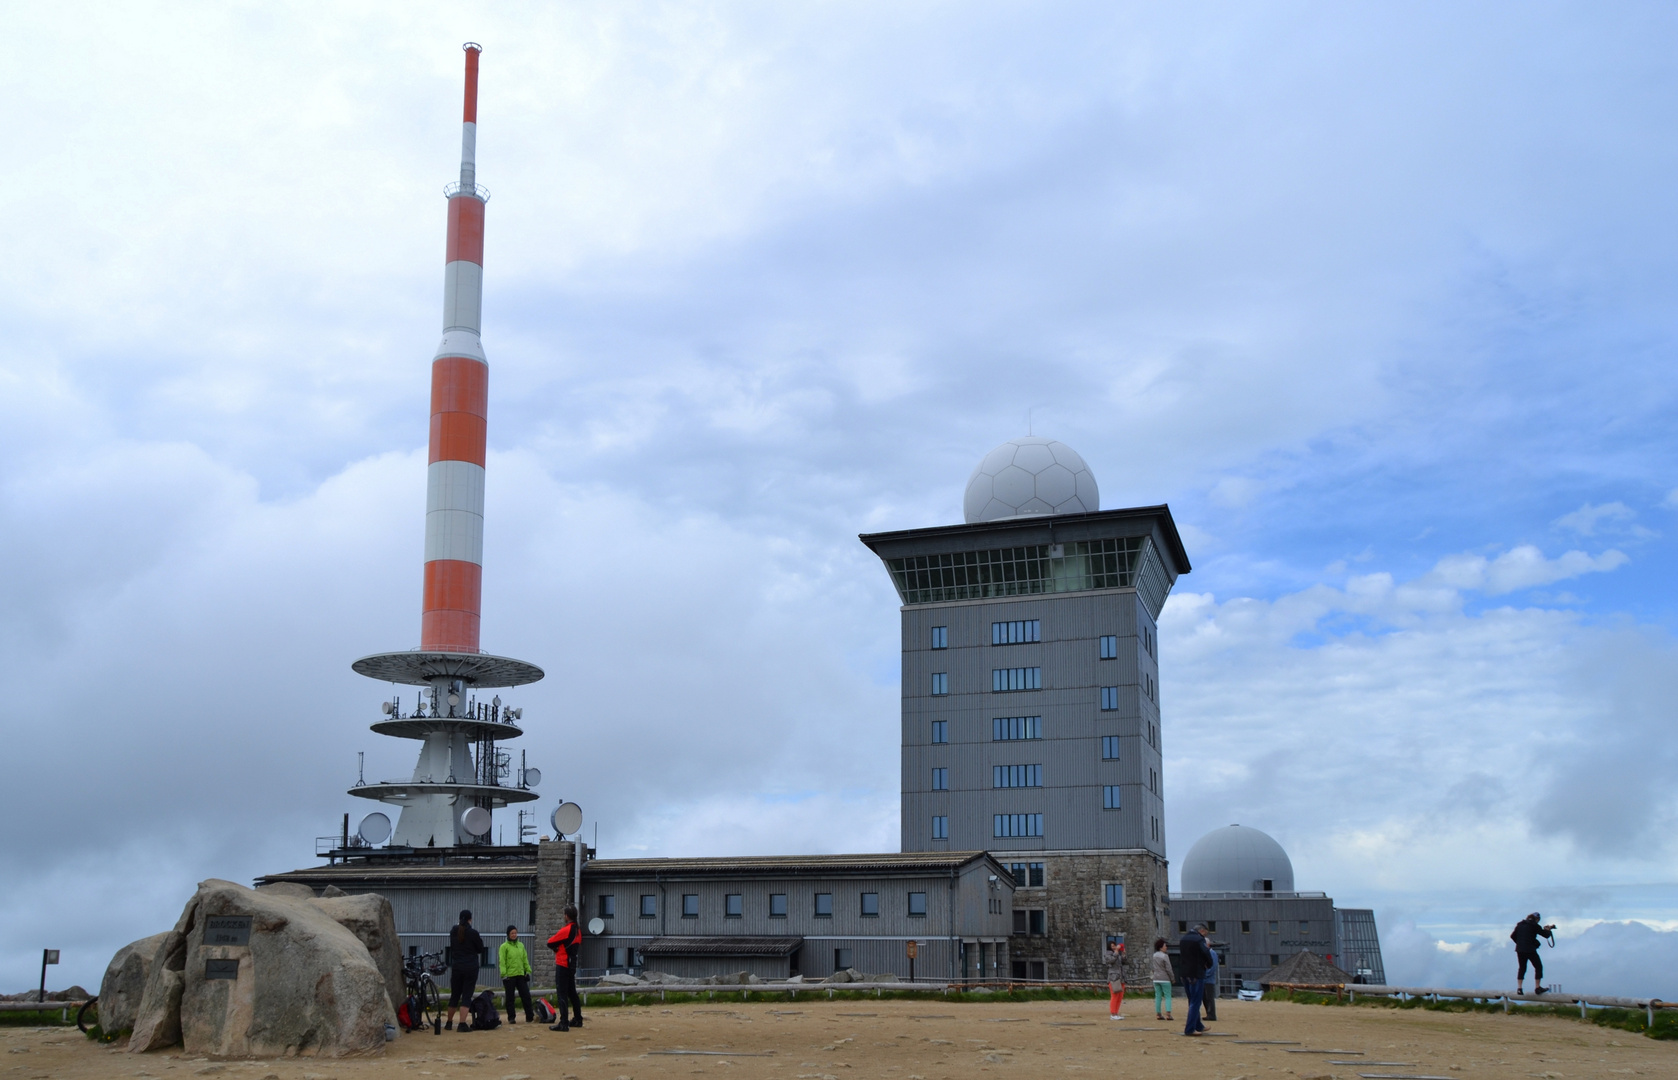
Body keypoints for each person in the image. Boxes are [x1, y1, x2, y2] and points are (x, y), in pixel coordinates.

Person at [444, 909, 484, 1032]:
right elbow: (480, 949)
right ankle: (462, 1024)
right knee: (466, 995)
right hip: (470, 967)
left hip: (457, 966)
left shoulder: (453, 931)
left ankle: (449, 1023)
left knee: (454, 995)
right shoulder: (473, 933)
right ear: (470, 919)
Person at [547, 904, 584, 1031]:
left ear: (567, 916)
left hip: (563, 964)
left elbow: (550, 942)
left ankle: (564, 1022)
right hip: (572, 964)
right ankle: (578, 1019)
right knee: (572, 993)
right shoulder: (578, 930)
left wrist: (556, 948)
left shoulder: (567, 929)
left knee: (561, 993)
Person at [1178, 923, 1213, 1037]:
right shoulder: (1199, 940)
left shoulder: (1183, 939)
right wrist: (1209, 964)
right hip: (1196, 973)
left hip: (1184, 973)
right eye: (1205, 933)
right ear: (1202, 931)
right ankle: (1190, 1029)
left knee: (1191, 1000)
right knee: (1196, 1001)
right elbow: (1206, 953)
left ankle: (1198, 1025)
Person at [1511, 912, 1556, 994]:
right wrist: (1548, 930)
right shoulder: (1534, 925)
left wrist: (1520, 943)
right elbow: (1545, 935)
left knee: (1522, 968)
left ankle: (1519, 988)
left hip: (1520, 950)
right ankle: (1537, 987)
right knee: (1538, 966)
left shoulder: (1520, 924)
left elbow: (1512, 936)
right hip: (1530, 949)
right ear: (1537, 919)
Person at [499, 925, 534, 1025]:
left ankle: (530, 1016)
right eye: (512, 933)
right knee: (510, 998)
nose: (514, 935)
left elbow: (525, 959)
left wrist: (528, 970)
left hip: (520, 974)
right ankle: (511, 1017)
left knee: (526, 996)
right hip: (509, 976)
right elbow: (502, 961)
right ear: (508, 934)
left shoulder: (521, 945)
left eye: (515, 933)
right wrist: (504, 974)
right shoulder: (504, 947)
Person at [1150, 938, 1174, 1020]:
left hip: (1156, 978)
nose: (1166, 947)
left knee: (1158, 996)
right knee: (1167, 996)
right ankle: (1168, 1013)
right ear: (1161, 947)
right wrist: (1172, 978)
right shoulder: (1165, 956)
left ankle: (1158, 1013)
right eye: (1164, 946)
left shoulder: (1154, 955)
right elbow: (1168, 969)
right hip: (1165, 978)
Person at [1102, 938, 1126, 1019]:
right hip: (1113, 978)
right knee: (1114, 995)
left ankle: (1116, 1013)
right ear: (1109, 947)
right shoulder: (1107, 954)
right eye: (1112, 946)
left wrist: (1123, 954)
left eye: (1114, 945)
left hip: (1120, 977)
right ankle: (1113, 1014)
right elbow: (1111, 961)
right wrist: (1116, 953)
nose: (1114, 947)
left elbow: (1124, 961)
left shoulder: (1117, 954)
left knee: (1120, 996)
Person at [1201, 934, 1219, 1022]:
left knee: (1209, 997)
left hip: (1209, 980)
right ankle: (1208, 1013)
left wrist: (1205, 974)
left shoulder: (1212, 953)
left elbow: (1213, 966)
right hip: (1204, 979)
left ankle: (1212, 1014)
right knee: (1204, 997)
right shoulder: (1206, 953)